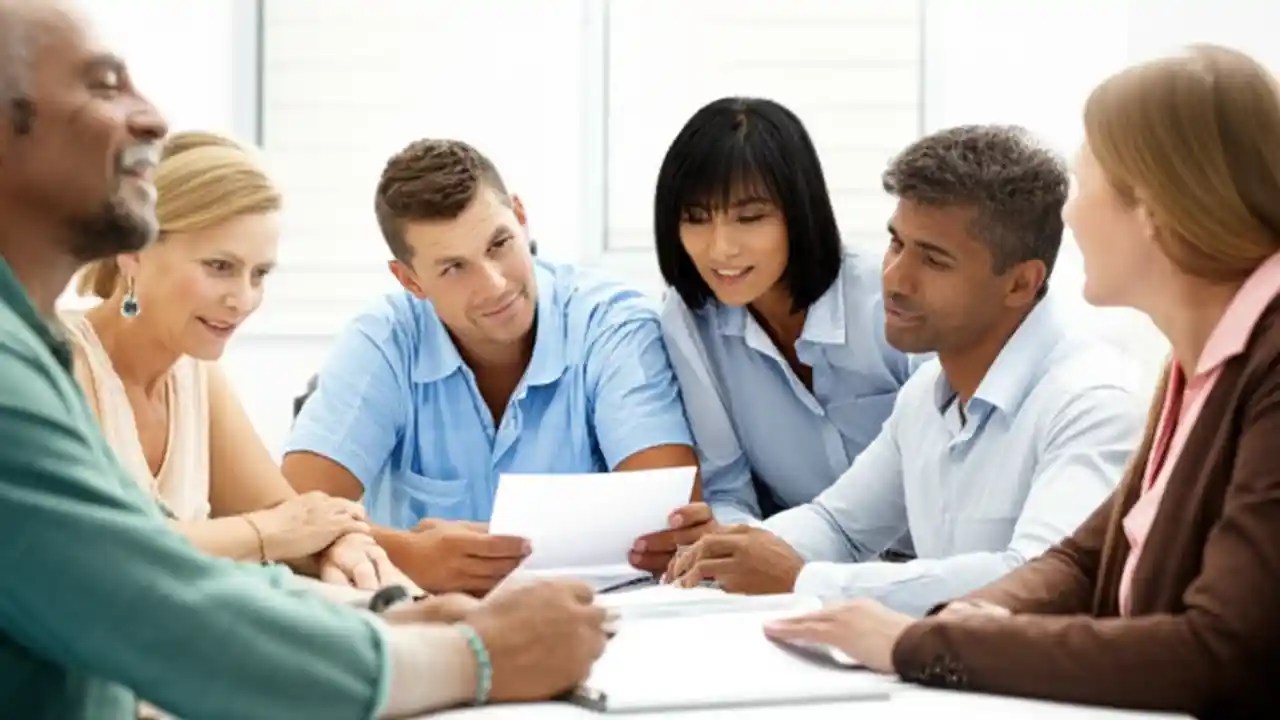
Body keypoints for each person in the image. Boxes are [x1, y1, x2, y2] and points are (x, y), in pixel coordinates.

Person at [0, 1, 606, 716]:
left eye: (259, 273)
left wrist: (380, 613)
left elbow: (268, 543)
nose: (154, 119)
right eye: (102, 85)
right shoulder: (20, 379)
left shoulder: (45, 352)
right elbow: (159, 598)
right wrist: (477, 655)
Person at [761, 45, 1280, 718]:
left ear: (1153, 209)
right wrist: (963, 620)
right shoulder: (1200, 364)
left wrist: (920, 645)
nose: (1069, 216)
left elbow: (1223, 652)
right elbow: (1084, 559)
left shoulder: (1260, 367)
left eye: (1085, 185)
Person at [667, 124, 1145, 617]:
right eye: (897, 245)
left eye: (934, 260)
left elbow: (1037, 581)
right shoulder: (926, 394)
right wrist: (728, 554)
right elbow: (839, 526)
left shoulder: (1092, 402)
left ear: (1021, 284)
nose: (895, 280)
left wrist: (803, 580)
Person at [283, 139, 712, 593]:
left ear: (521, 218)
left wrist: (383, 548)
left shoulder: (612, 324)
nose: (494, 285)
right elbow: (286, 519)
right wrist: (411, 554)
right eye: (454, 268)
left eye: (500, 244)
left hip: (601, 613)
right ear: (410, 280)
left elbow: (671, 522)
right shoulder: (384, 340)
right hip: (430, 620)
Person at [64, 129, 399, 589]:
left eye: (259, 274)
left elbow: (289, 516)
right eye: (219, 267)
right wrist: (268, 533)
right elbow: (97, 546)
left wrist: (340, 543)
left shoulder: (195, 374)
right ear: (133, 251)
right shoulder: (58, 361)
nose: (243, 299)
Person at [656, 96, 915, 525]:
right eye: (696, 217)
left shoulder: (885, 297)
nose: (721, 248)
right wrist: (757, 549)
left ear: (799, 212)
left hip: (931, 553)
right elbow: (726, 491)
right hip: (795, 556)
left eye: (750, 217)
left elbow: (957, 471)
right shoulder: (688, 321)